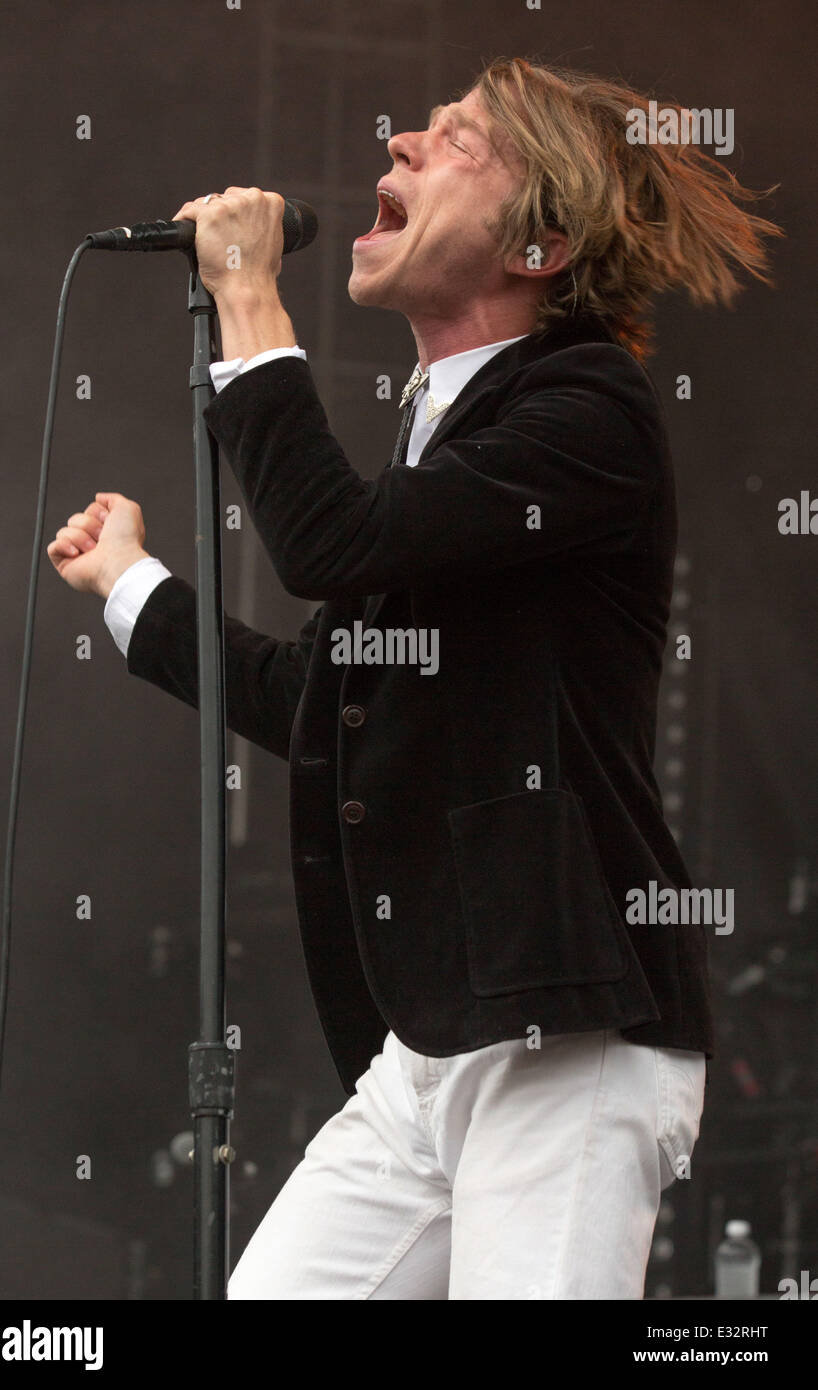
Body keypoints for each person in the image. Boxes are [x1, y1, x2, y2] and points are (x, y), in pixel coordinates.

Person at [47, 59, 780, 1299]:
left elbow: (328, 541)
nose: (396, 141)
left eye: (454, 140)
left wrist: (242, 289)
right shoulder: (444, 434)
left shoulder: (584, 410)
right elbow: (324, 705)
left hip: (572, 1030)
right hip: (433, 1040)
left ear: (541, 243)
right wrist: (135, 590)